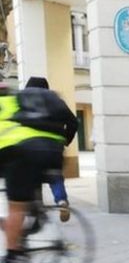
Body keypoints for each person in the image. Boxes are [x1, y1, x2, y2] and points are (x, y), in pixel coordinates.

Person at [0, 79, 78, 263]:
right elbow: (72, 121)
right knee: (32, 185)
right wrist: (65, 141)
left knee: (15, 206)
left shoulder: (7, 104)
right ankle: (37, 215)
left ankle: (12, 255)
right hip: (54, 150)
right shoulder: (25, 101)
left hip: (23, 152)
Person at [24, 77, 75, 222]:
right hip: (54, 147)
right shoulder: (56, 101)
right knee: (55, 176)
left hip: (29, 147)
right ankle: (61, 201)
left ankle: (37, 210)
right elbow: (73, 122)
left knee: (33, 177)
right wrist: (66, 139)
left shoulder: (22, 101)